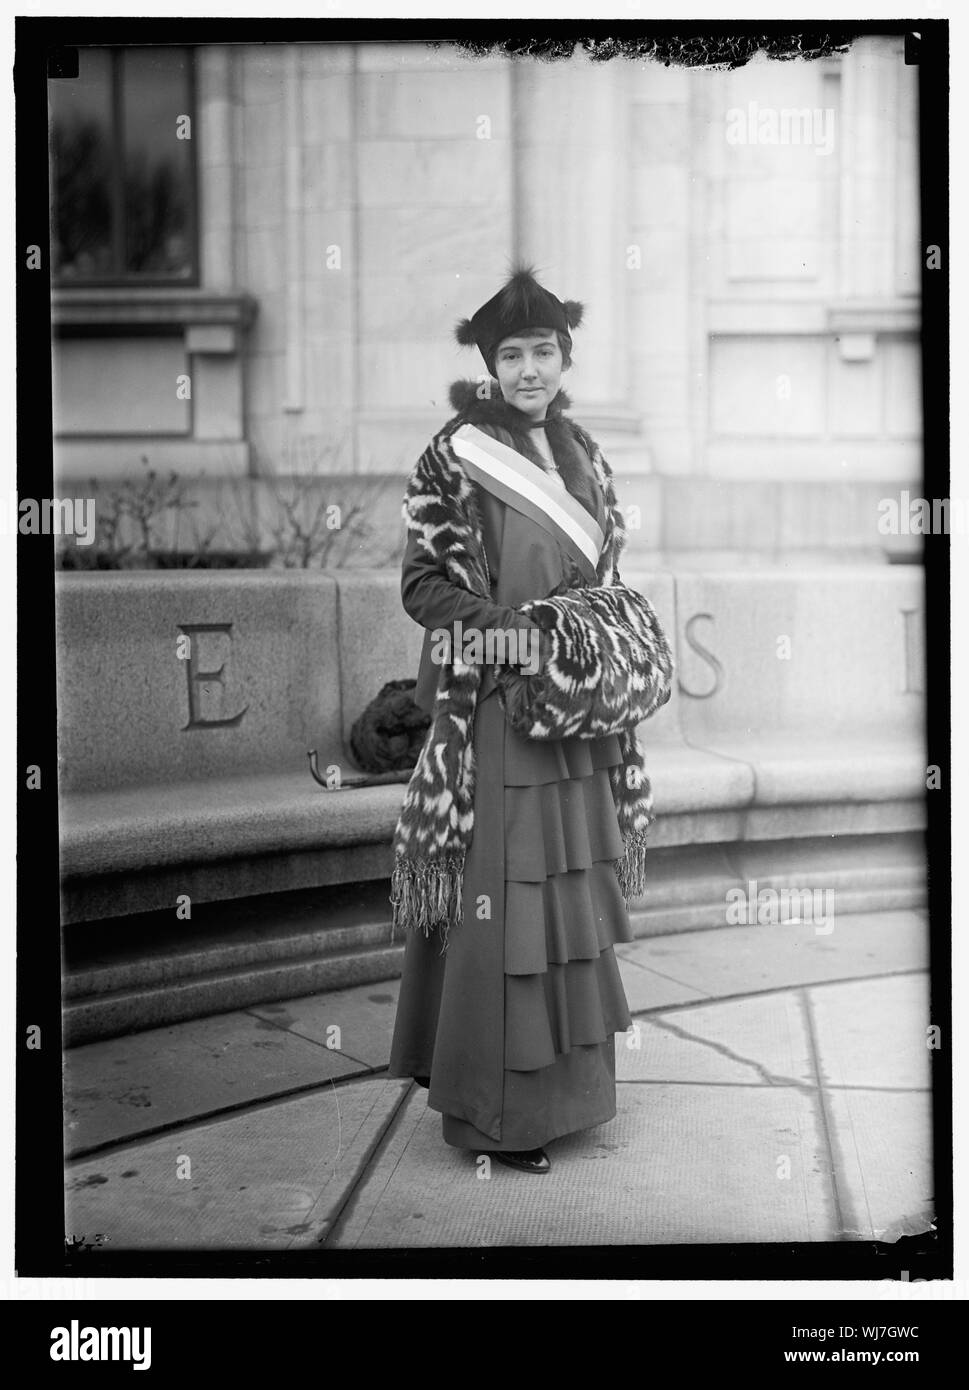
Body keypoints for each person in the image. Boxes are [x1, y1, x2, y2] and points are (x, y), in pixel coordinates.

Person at [386, 265, 647, 1175]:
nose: (528, 368)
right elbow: (424, 587)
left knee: (567, 899)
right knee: (506, 912)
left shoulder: (584, 452)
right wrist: (515, 644)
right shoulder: (452, 456)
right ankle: (497, 1119)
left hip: (576, 714)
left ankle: (569, 1102)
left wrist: (583, 646)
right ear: (489, 364)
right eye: (511, 354)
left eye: (542, 350)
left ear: (563, 356)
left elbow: (602, 582)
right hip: (495, 713)